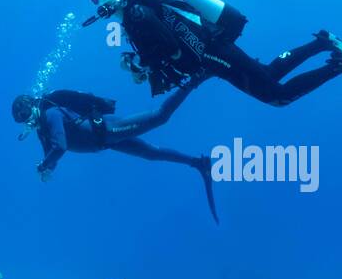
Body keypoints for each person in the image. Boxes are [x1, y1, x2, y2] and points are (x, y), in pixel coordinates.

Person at [83, 0, 342, 104]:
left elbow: (170, 49)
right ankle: (323, 41)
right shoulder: (141, 10)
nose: (103, 0)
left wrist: (142, 62)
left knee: (277, 96)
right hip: (212, 48)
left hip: (210, 53)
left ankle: (340, 64)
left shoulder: (137, 13)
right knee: (270, 75)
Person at [12, 85, 219, 223]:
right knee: (151, 154)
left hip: (109, 131)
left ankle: (196, 78)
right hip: (106, 142)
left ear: (32, 106)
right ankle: (198, 163)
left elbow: (60, 147)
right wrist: (47, 167)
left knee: (160, 116)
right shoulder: (43, 130)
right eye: (24, 121)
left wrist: (43, 165)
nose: (28, 121)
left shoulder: (51, 114)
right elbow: (53, 155)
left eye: (26, 115)